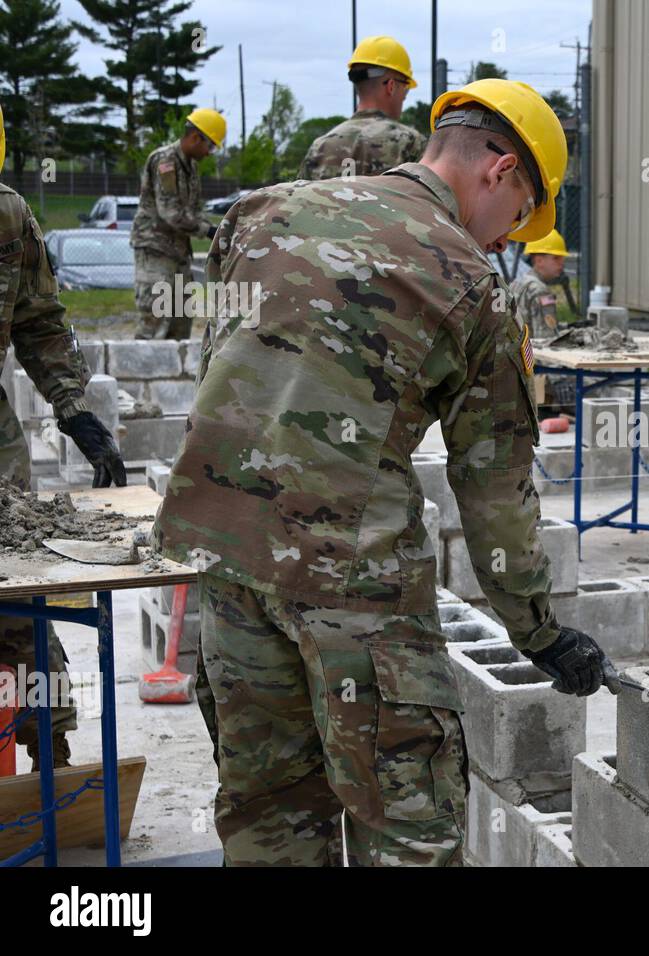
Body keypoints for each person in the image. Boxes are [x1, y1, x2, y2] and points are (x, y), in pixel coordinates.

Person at [151, 79, 614, 866]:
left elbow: (224, 370)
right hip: (354, 592)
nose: (507, 239)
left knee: (268, 819)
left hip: (226, 564)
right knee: (409, 832)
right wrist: (538, 631)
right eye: (519, 215)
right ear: (500, 170)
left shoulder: (260, 212)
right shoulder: (471, 284)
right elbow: (494, 493)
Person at [0, 105, 127, 769]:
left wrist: (76, 413)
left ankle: (50, 750)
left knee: (17, 591)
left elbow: (38, 321)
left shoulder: (8, 216)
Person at [131, 109, 222, 340]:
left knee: (181, 320)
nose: (209, 153)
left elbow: (194, 209)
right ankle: (145, 364)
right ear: (195, 138)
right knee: (154, 320)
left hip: (179, 252)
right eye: (210, 146)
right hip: (156, 250)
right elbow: (170, 212)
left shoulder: (191, 167)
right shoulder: (165, 161)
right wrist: (208, 231)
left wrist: (220, 229)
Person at [298, 36, 426, 181]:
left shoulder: (320, 147)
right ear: (391, 86)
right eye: (405, 89)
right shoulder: (410, 143)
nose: (404, 97)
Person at [509, 228, 570, 337]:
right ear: (539, 261)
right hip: (531, 347)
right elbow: (546, 337)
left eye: (562, 258)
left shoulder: (516, 283)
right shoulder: (540, 291)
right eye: (556, 258)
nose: (561, 263)